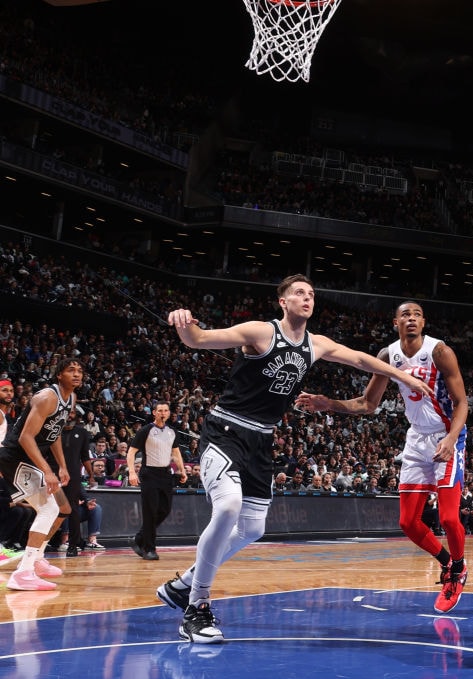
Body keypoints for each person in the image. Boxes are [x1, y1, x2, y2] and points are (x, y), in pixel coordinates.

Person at [155, 275, 433, 644]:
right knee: (228, 507)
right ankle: (196, 605)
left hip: (261, 440)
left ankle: (184, 584)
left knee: (252, 529)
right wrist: (183, 322)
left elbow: (360, 359)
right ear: (283, 302)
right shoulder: (261, 332)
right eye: (299, 293)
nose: (307, 298)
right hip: (226, 431)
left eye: (311, 294)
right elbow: (200, 339)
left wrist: (403, 377)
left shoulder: (316, 344)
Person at [295, 300, 469, 614]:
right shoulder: (388, 355)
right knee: (408, 522)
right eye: (405, 314)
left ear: (424, 322)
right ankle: (446, 562)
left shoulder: (440, 351)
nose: (412, 318)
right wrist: (328, 403)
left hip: (447, 435)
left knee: (447, 518)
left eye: (417, 314)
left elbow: (462, 403)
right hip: (417, 438)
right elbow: (368, 403)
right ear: (395, 323)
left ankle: (457, 571)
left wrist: (451, 438)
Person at [0, 357, 82, 590]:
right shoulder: (47, 397)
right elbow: (25, 437)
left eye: (79, 370)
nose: (76, 374)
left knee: (63, 508)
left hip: (30, 459)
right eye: (71, 370)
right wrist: (47, 471)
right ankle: (23, 572)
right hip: (14, 457)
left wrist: (62, 466)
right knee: (49, 509)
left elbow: (54, 433)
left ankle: (37, 559)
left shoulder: (71, 398)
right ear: (59, 375)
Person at [127, 402, 188, 561]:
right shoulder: (145, 430)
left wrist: (182, 470)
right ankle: (149, 549)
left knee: (165, 510)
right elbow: (131, 452)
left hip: (166, 474)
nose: (163, 413)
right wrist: (132, 472)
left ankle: (139, 538)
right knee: (150, 511)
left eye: (166, 410)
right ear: (154, 412)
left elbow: (176, 453)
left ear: (169, 413)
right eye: (160, 410)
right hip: (149, 474)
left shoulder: (172, 431)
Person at [54, 414, 92, 557]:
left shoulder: (82, 433)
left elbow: (85, 456)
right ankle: (43, 543)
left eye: (72, 413)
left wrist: (91, 474)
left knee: (73, 509)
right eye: (67, 413)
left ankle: (73, 545)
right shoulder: (53, 430)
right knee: (50, 507)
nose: (69, 416)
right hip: (53, 472)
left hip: (73, 475)